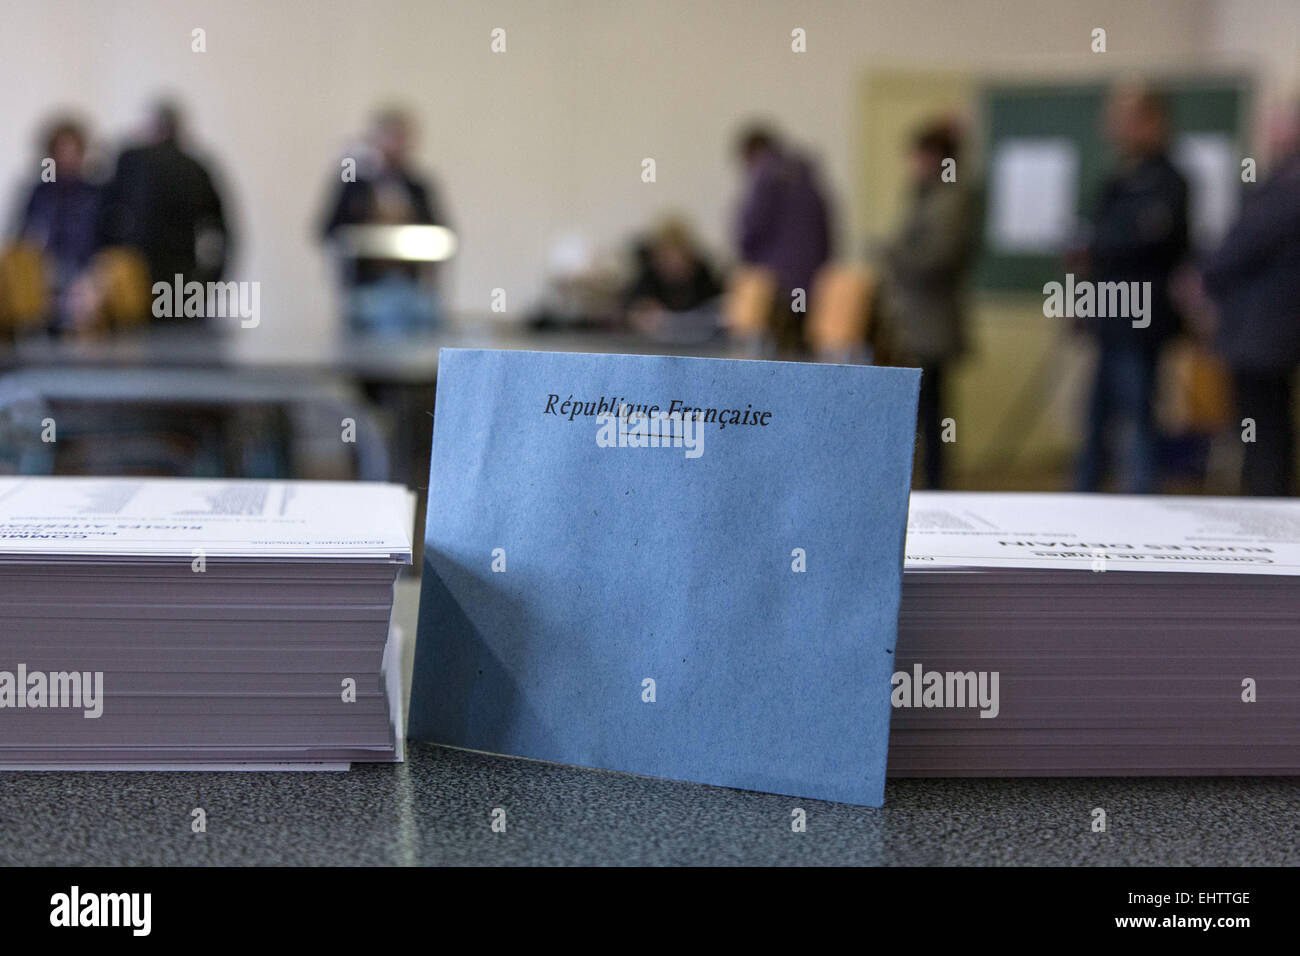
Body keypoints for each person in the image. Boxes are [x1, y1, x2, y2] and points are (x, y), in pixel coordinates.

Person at [1075, 84, 1189, 494]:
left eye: (1125, 118)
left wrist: (1103, 242)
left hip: (1141, 324)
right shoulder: (1117, 179)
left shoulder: (1169, 181)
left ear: (1151, 122)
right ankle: (1079, 504)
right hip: (1106, 319)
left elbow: (1144, 239)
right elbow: (1096, 239)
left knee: (1139, 418)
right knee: (1094, 421)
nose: (1115, 127)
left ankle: (1141, 506)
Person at [1202, 104, 1300, 496]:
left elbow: (1243, 246)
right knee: (1262, 427)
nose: (1268, 132)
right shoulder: (1277, 179)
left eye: (1277, 123)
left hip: (1267, 332)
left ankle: (1268, 510)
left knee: (1264, 429)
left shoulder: (1289, 186)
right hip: (1263, 330)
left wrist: (1203, 277)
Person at [878, 118, 979, 489]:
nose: (913, 164)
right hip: (913, 321)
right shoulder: (923, 194)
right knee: (921, 409)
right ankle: (920, 484)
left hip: (933, 322)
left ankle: (937, 489)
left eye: (918, 156)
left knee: (933, 413)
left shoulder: (952, 198)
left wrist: (892, 253)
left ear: (936, 157)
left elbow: (938, 257)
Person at [320, 107, 448, 335]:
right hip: (367, 288)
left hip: (411, 287)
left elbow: (442, 233)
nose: (395, 146)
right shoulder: (354, 185)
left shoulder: (418, 186)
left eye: (401, 139)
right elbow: (327, 230)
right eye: (390, 138)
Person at [97, 101, 232, 297]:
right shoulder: (195, 168)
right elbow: (219, 232)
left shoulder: (132, 161)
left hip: (135, 278)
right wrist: (210, 281)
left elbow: (104, 217)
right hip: (182, 278)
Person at [733, 124, 833, 353]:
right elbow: (827, 231)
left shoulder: (766, 175)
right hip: (812, 280)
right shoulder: (809, 177)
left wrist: (747, 260)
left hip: (776, 281)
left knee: (773, 351)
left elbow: (752, 227)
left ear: (752, 153)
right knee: (802, 349)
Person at [11, 116, 102, 332]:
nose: (68, 158)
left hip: (85, 268)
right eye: (62, 151)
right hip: (45, 267)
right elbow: (23, 232)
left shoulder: (94, 192)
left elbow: (104, 237)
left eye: (73, 151)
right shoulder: (40, 191)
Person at [623, 217, 723, 343]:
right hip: (653, 347)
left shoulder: (703, 275)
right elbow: (630, 308)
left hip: (702, 346)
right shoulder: (647, 277)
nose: (675, 264)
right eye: (668, 258)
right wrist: (640, 313)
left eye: (679, 257)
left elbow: (720, 306)